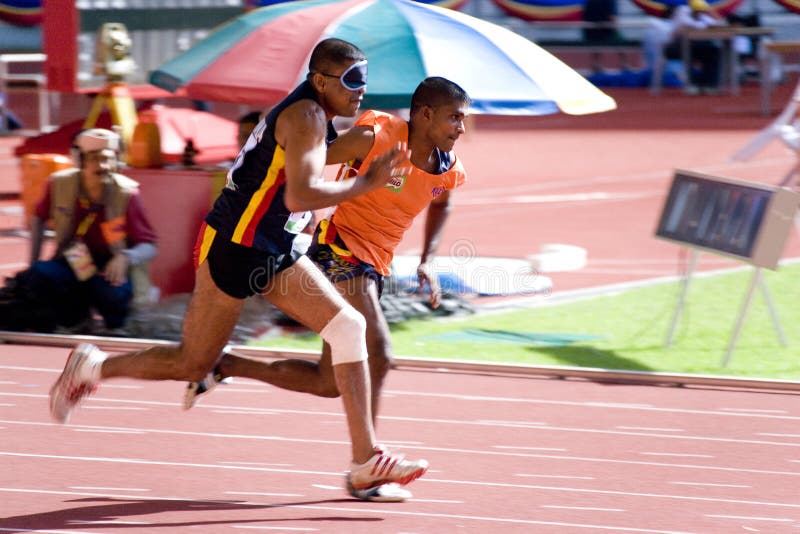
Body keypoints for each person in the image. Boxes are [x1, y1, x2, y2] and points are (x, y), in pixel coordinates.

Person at [48, 38, 428, 497]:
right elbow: (301, 194)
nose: (360, 91)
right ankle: (94, 368)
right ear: (320, 80)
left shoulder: (317, 116)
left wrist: (396, 139)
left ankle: (365, 462)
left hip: (274, 246)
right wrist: (364, 184)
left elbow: (307, 167)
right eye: (351, 81)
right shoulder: (305, 116)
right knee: (193, 361)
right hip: (237, 246)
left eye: (364, 81)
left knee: (347, 328)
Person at [183, 76, 470, 501]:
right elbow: (308, 159)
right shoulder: (377, 135)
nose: (461, 127)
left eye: (464, 119)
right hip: (335, 247)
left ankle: (224, 365)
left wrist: (427, 258)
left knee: (328, 382)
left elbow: (442, 200)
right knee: (380, 350)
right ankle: (368, 466)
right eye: (454, 117)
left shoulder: (450, 170)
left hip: (374, 263)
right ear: (425, 114)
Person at [3, 128, 157, 333]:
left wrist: (126, 257)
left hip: (111, 264)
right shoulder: (59, 184)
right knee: (37, 275)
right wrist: (34, 259)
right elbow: (39, 218)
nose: (103, 166)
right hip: (74, 258)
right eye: (95, 159)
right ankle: (74, 319)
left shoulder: (127, 193)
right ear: (79, 160)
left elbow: (149, 245)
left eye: (108, 160)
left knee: (111, 292)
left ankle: (116, 322)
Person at [661, 0, 723, 94]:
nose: (699, 13)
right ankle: (691, 84)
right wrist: (708, 24)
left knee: (713, 51)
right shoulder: (682, 11)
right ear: (691, 9)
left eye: (701, 11)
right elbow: (692, 24)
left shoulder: (701, 14)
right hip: (674, 47)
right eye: (697, 11)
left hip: (694, 47)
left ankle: (709, 84)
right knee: (688, 51)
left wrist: (712, 14)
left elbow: (716, 24)